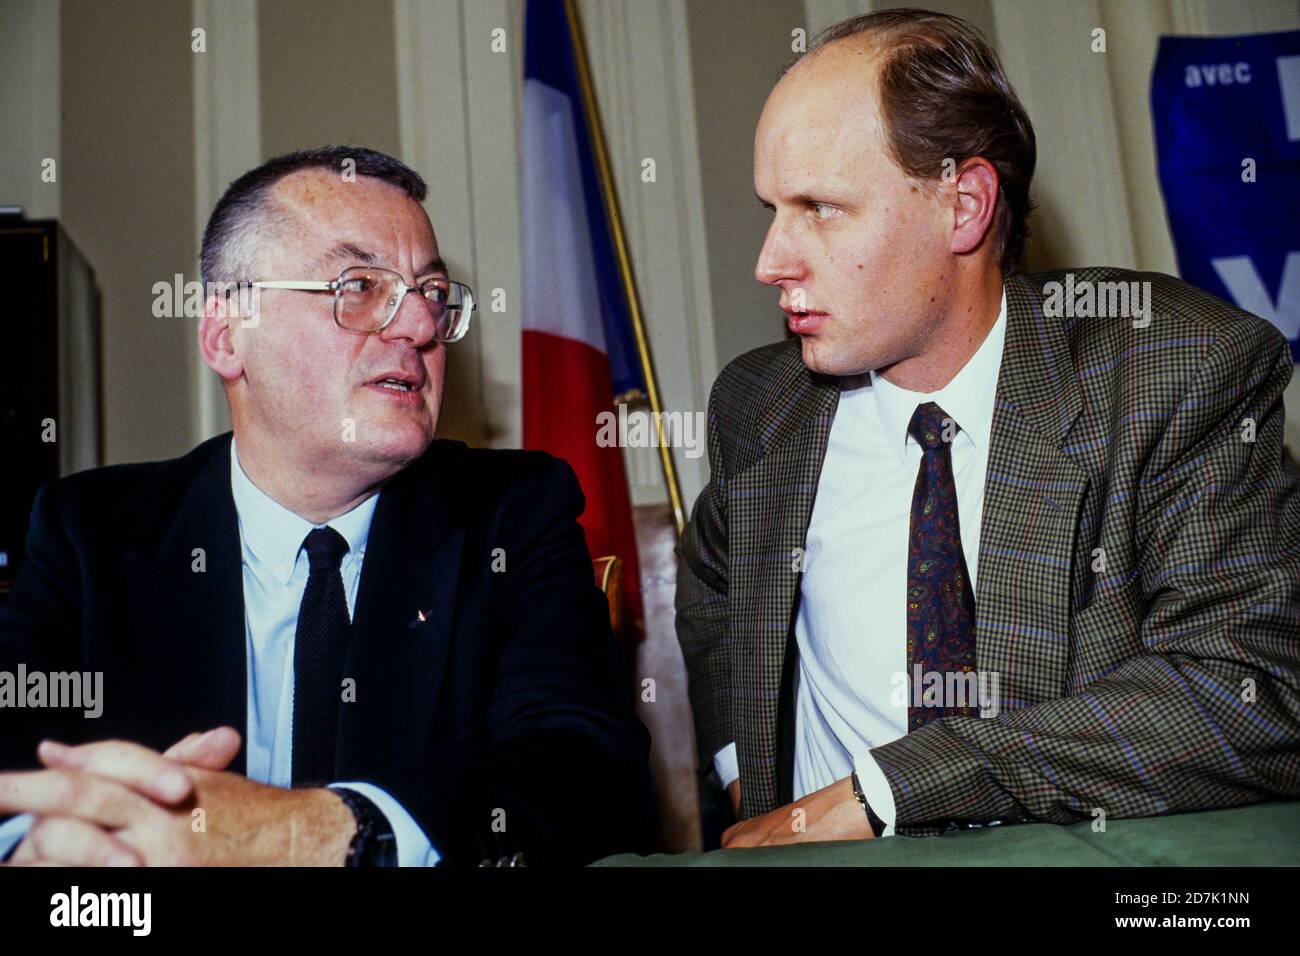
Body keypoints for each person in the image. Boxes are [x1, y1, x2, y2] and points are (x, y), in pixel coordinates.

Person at [675, 9, 1300, 847]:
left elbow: (1250, 688)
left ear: (963, 205)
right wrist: (743, 765)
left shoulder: (1177, 371)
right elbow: (714, 588)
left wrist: (889, 791)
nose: (769, 260)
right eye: (772, 208)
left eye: (820, 208)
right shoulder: (758, 407)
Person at [0, 145, 652, 866]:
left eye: (432, 293)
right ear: (226, 334)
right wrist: (66, 845)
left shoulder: (510, 513)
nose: (418, 328)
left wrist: (306, 835)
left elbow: (586, 769)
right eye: (360, 285)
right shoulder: (90, 532)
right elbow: (13, 773)